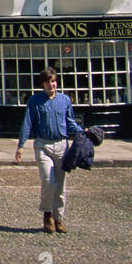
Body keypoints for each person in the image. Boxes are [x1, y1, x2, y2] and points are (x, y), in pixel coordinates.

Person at [15, 67, 83, 234]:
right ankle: (47, 214)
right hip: (42, 145)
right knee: (48, 181)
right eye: (47, 82)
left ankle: (58, 218)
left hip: (62, 145)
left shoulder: (65, 100)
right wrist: (21, 146)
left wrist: (83, 132)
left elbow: (70, 122)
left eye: (53, 81)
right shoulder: (35, 100)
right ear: (43, 84)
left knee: (60, 186)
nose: (51, 84)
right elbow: (28, 123)